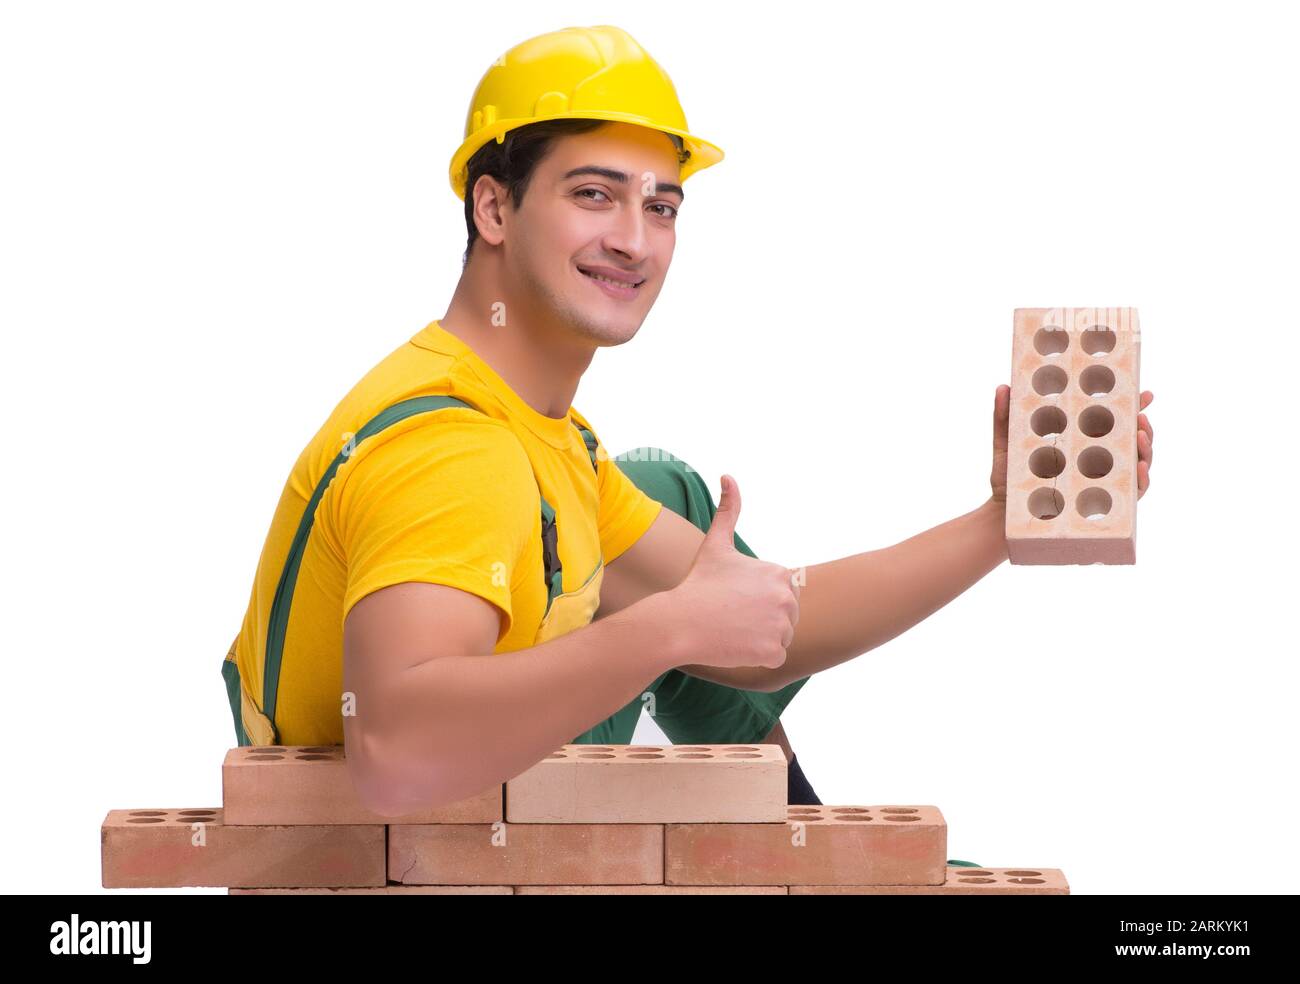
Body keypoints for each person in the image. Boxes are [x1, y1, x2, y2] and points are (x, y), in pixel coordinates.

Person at [222, 27, 1155, 867]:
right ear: (493, 209)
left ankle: (798, 839)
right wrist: (665, 632)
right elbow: (393, 751)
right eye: (594, 195)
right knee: (669, 590)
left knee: (661, 497)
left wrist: (1004, 521)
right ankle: (804, 860)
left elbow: (780, 625)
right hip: (401, 858)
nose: (634, 240)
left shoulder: (540, 436)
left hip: (448, 819)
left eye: (661, 207)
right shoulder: (460, 449)